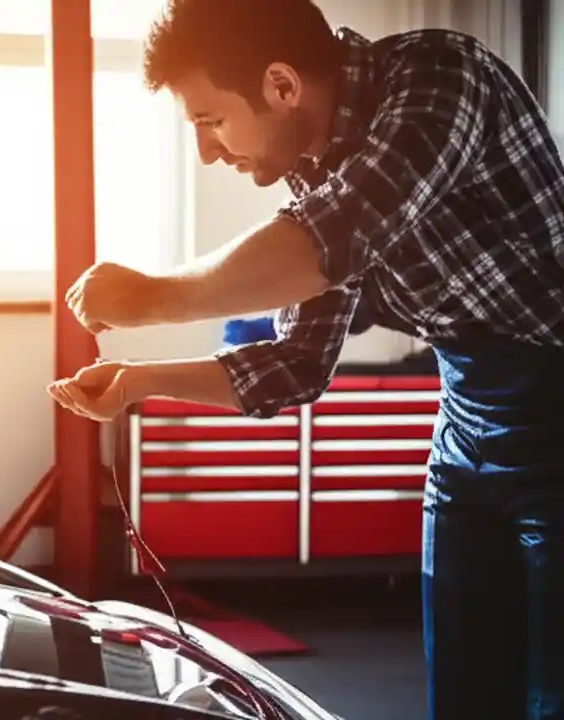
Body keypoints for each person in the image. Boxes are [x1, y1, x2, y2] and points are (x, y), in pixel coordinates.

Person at [45, 1, 564, 719]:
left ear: (282, 85)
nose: (207, 152)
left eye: (210, 120)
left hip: (555, 404)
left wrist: (151, 297)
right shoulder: (314, 167)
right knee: (466, 692)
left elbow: (331, 240)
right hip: (466, 425)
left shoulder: (442, 79)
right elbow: (296, 364)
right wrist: (138, 382)